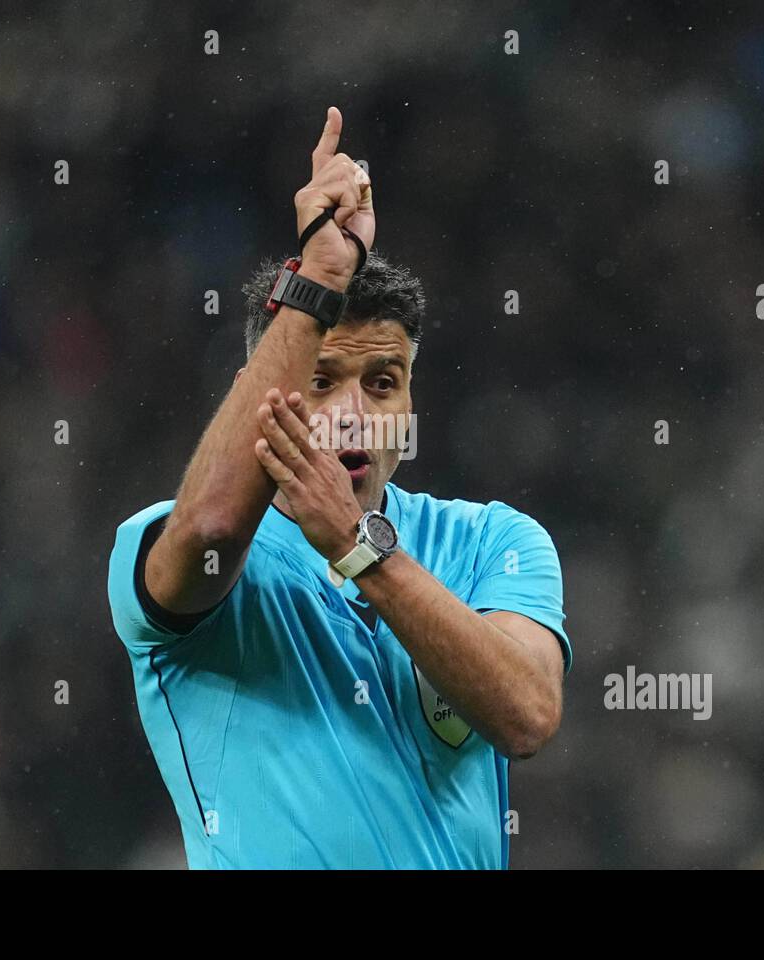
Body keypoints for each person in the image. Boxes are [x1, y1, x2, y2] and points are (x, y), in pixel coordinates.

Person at [108, 106, 571, 868]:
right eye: (320, 381)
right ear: (255, 393)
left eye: (383, 382)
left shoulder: (495, 541)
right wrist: (321, 272)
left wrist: (363, 551)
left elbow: (526, 715)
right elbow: (216, 529)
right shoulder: (174, 541)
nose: (353, 416)